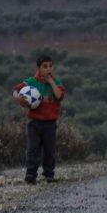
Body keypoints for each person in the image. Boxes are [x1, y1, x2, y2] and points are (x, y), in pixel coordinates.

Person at [14, 55, 65, 184]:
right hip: (34, 122)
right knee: (33, 148)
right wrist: (18, 98)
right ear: (38, 68)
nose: (48, 69)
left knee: (49, 149)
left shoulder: (57, 82)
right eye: (45, 66)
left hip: (50, 123)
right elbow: (16, 90)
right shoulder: (31, 82)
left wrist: (51, 82)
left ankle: (49, 174)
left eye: (50, 66)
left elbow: (59, 96)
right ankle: (31, 174)